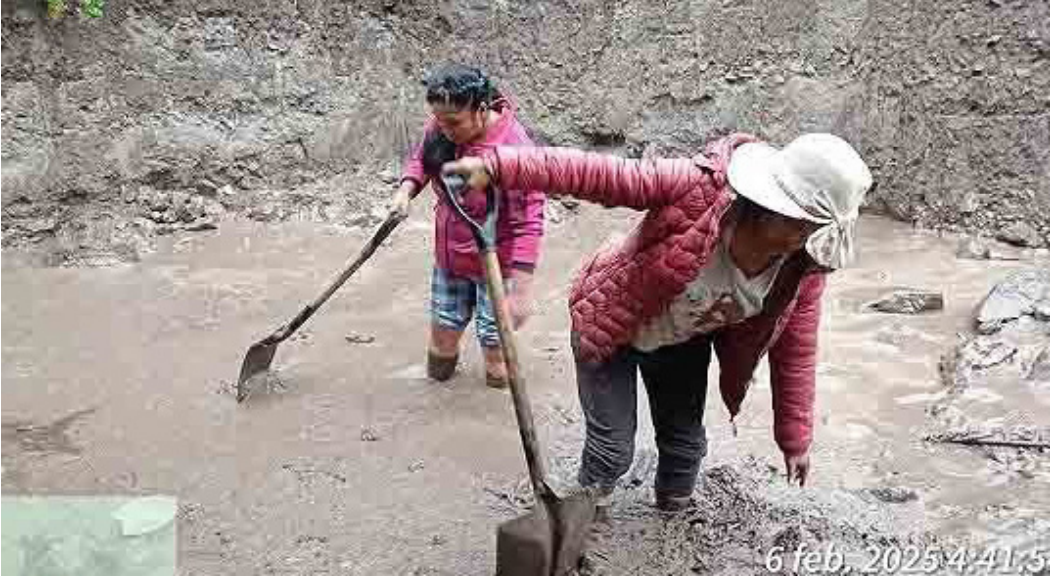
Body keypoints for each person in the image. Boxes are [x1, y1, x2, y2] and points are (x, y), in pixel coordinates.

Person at [443, 132, 873, 510]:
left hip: (682, 341)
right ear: (772, 209)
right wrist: (496, 166)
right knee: (612, 452)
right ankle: (581, 517)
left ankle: (672, 524)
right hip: (612, 324)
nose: (808, 241)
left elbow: (796, 351)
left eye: (817, 230)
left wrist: (794, 438)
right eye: (805, 227)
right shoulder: (696, 190)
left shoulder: (802, 267)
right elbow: (594, 174)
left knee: (686, 452)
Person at [390, 64, 546, 388]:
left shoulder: (516, 149)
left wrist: (521, 292)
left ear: (482, 109)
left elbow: (530, 222)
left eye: (454, 123)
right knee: (441, 350)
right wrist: (406, 190)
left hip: (495, 266)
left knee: (496, 359)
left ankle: (497, 384)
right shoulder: (444, 120)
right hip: (450, 260)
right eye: (439, 121)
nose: (444, 129)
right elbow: (423, 158)